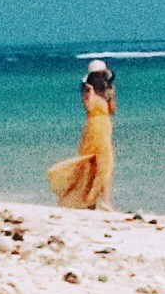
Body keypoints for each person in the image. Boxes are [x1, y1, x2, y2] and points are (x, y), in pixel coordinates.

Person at [46, 60, 115, 210]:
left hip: (104, 127)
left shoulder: (107, 92)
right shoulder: (87, 90)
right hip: (94, 127)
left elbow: (112, 110)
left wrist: (109, 93)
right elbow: (89, 107)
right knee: (94, 163)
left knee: (105, 164)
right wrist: (89, 91)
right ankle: (95, 200)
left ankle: (101, 200)